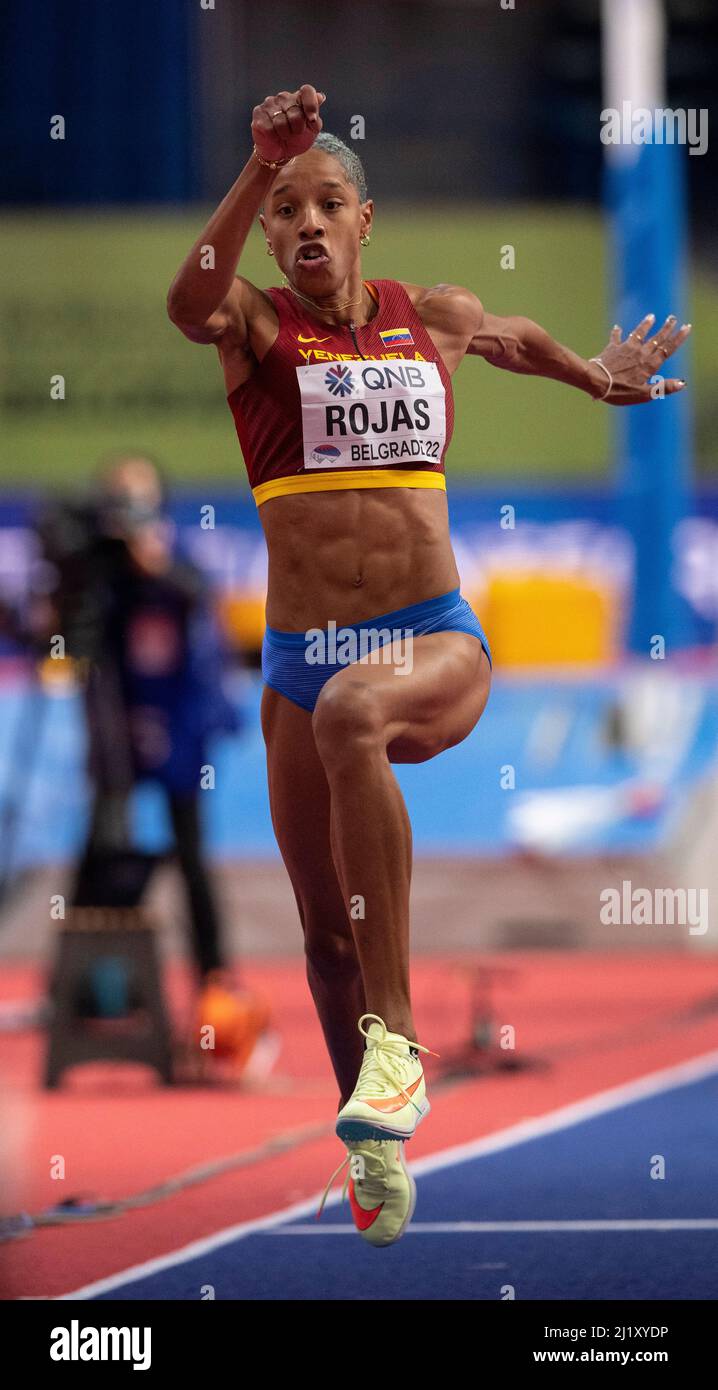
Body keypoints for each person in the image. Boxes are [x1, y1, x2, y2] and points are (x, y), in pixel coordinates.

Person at [167, 84, 691, 1244]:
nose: (306, 223)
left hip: (435, 640)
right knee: (319, 936)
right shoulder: (253, 326)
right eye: (287, 210)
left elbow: (511, 338)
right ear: (267, 230)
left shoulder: (429, 314)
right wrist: (256, 164)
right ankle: (370, 1128)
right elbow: (184, 299)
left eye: (327, 204)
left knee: (357, 714)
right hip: (302, 662)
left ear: (367, 220)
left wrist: (595, 377)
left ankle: (399, 1041)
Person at [43, 454, 270, 1068]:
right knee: (99, 852)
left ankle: (214, 985)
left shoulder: (176, 566)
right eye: (118, 496)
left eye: (139, 497)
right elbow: (55, 630)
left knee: (192, 859)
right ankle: (89, 993)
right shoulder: (103, 577)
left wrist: (157, 561)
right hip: (119, 730)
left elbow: (198, 605)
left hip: (178, 735)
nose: (127, 509)